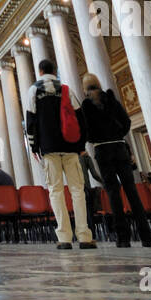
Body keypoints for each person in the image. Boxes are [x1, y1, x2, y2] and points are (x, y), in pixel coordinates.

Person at [25, 58, 96, 250]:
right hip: (71, 146)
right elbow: (81, 118)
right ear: (54, 71)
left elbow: (30, 121)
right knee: (77, 191)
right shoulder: (66, 89)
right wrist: (81, 145)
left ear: (40, 72)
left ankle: (64, 237)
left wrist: (34, 147)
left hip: (49, 149)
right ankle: (84, 236)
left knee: (55, 192)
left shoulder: (34, 91)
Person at [80, 73, 151, 249]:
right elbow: (126, 121)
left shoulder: (86, 105)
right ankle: (146, 236)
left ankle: (123, 238)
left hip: (103, 151)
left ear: (85, 88)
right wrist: (118, 134)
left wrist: (94, 139)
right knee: (132, 192)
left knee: (113, 193)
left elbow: (85, 130)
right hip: (120, 149)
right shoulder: (111, 99)